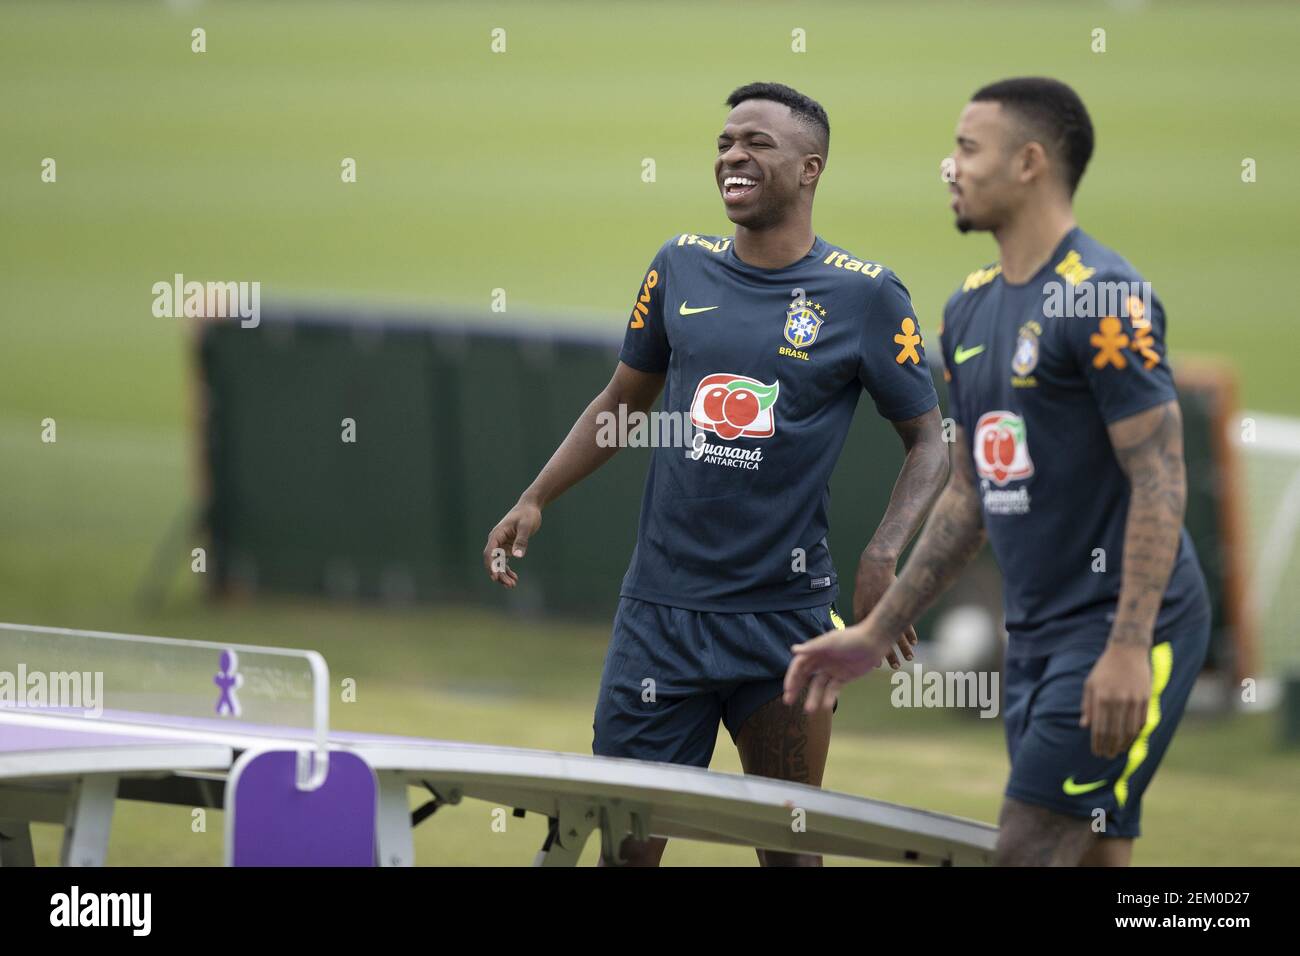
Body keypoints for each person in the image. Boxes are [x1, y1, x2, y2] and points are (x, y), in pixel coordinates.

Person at [484, 82, 947, 866]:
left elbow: (931, 440)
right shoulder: (678, 266)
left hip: (785, 628)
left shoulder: (866, 295)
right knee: (625, 850)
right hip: (661, 620)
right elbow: (623, 400)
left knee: (790, 851)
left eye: (757, 143)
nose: (733, 155)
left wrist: (883, 556)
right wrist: (536, 496)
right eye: (726, 143)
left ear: (811, 168)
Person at [784, 77, 1211, 866]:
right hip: (1038, 634)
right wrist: (877, 631)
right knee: (1089, 855)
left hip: (1124, 632)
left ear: (1029, 165)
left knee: (1027, 847)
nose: (951, 167)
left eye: (968, 149)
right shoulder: (970, 309)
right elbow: (972, 493)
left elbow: (1160, 477)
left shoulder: (1105, 299)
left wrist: (1127, 645)